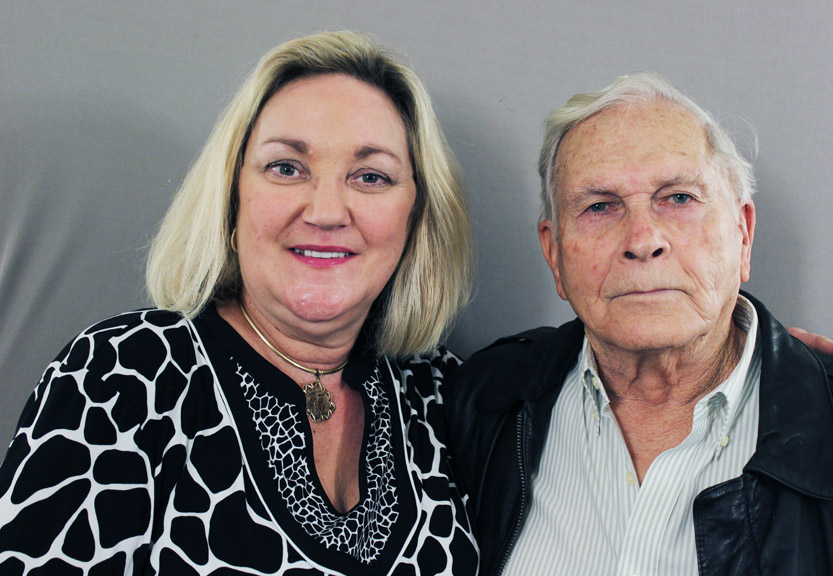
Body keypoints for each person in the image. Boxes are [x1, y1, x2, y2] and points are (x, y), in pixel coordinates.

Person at [0, 31, 478, 574]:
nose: (325, 212)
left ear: (416, 218)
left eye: (371, 176)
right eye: (287, 168)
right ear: (231, 198)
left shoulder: (445, 396)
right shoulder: (120, 375)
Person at [446, 72, 833, 575]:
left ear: (743, 235)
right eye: (600, 206)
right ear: (554, 253)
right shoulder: (482, 401)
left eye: (679, 198)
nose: (643, 239)